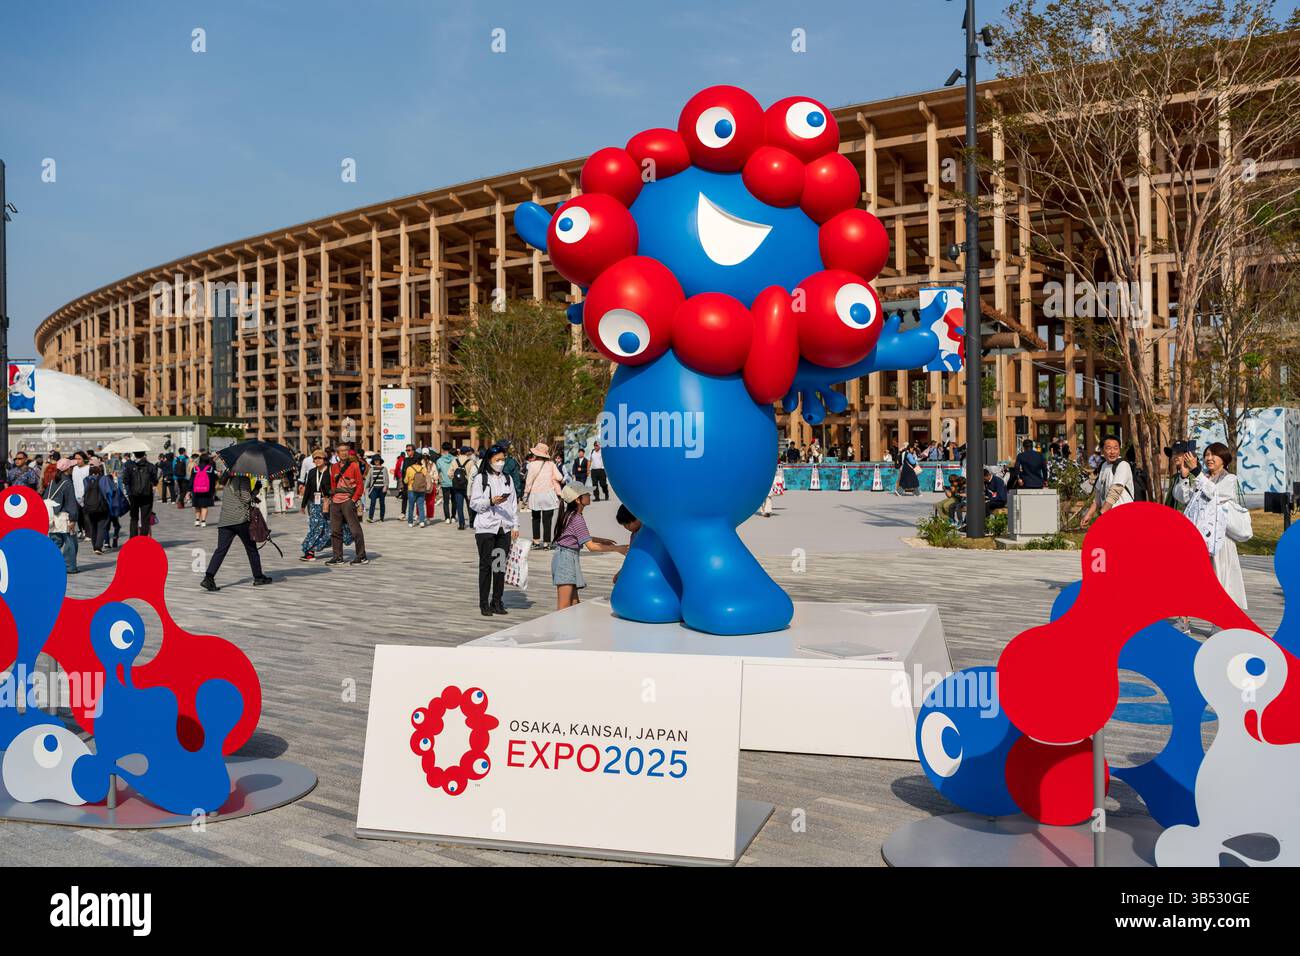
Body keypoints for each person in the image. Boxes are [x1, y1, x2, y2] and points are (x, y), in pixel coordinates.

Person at [1173, 442, 1247, 609]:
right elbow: (1183, 497)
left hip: (1220, 539)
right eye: (1206, 455)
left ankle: (1220, 620)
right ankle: (1184, 618)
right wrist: (1184, 476)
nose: (1209, 458)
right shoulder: (1203, 477)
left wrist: (1196, 473)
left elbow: (1213, 494)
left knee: (1220, 578)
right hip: (1200, 536)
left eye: (1214, 455)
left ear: (1224, 459)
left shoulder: (1229, 479)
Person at [550, 482, 628, 610]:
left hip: (566, 557)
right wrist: (618, 548)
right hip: (566, 559)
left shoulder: (571, 515)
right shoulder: (576, 518)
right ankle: (561, 630)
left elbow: (578, 536)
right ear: (578, 499)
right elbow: (591, 547)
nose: (589, 495)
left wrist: (602, 540)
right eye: (585, 493)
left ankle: (572, 629)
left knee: (574, 604)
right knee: (564, 607)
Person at [201, 474, 273, 591]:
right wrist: (256, 489)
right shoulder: (243, 479)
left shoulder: (227, 479)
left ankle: (208, 577)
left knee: (221, 550)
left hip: (225, 520)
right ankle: (258, 576)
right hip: (240, 520)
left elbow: (237, 497)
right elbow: (246, 499)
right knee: (251, 549)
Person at [470, 445, 519, 617]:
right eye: (497, 459)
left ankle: (497, 601)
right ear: (489, 460)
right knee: (486, 566)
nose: (500, 463)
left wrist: (515, 526)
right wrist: (490, 501)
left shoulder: (507, 479)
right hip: (486, 528)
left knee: (499, 566)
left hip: (503, 528)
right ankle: (484, 603)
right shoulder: (481, 479)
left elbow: (513, 503)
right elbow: (474, 503)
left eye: (502, 459)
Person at [1080, 435, 1134, 527]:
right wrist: (1089, 514)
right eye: (1108, 448)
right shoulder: (1103, 466)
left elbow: (1115, 492)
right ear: (1102, 450)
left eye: (1115, 448)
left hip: (1124, 516)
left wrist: (1102, 514)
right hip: (1109, 516)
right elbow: (1098, 495)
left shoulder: (1123, 465)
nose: (1112, 452)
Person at [327, 448, 368, 565]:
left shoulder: (354, 465)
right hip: (335, 501)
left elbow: (360, 485)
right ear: (337, 454)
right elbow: (333, 484)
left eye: (346, 450)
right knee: (335, 531)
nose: (344, 452)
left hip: (348, 500)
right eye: (341, 451)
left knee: (355, 530)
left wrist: (353, 499)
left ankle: (361, 556)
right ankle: (338, 557)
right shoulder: (334, 467)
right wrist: (332, 498)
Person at [44, 458, 81, 573]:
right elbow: (71, 502)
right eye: (71, 467)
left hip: (53, 516)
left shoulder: (53, 481)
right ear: (68, 469)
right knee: (71, 543)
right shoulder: (67, 482)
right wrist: (73, 519)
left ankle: (50, 564)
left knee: (55, 542)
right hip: (64, 517)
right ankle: (69, 567)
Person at [524, 442, 563, 550]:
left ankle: (536, 541)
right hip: (548, 495)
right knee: (547, 520)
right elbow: (559, 477)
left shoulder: (531, 465)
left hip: (535, 495)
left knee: (535, 518)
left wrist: (525, 493)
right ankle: (546, 543)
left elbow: (529, 481)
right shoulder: (551, 464)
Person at [80, 462, 116, 555]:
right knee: (102, 526)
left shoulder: (85, 480)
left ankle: (94, 546)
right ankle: (98, 547)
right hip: (102, 507)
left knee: (93, 526)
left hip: (89, 507)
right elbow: (109, 492)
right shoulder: (103, 479)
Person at [122, 450, 158, 538]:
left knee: (134, 518)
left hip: (133, 495)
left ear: (134, 454)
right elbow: (155, 481)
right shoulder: (151, 466)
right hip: (147, 495)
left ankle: (133, 539)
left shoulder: (129, 465)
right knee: (145, 519)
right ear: (144, 454)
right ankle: (143, 539)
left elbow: (125, 480)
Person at [611, 504, 641, 585]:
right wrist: (621, 572)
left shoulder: (644, 532)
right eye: (624, 525)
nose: (627, 527)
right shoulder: (634, 534)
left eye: (627, 524)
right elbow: (630, 557)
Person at [404, 454, 433, 527]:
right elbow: (427, 479)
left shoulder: (409, 468)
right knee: (421, 506)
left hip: (411, 490)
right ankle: (422, 522)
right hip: (421, 490)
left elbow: (406, 481)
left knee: (411, 506)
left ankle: (410, 522)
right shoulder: (423, 469)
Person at [190, 453, 217, 527]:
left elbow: (191, 480)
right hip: (207, 490)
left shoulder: (195, 468)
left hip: (196, 490)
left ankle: (197, 520)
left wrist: (190, 490)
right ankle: (203, 521)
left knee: (197, 505)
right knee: (204, 506)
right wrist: (213, 491)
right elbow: (213, 480)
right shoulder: (210, 468)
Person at [434, 442, 457, 525]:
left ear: (442, 449)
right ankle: (453, 517)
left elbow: (438, 471)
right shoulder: (455, 459)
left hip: (444, 483)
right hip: (454, 483)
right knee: (454, 501)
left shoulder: (439, 460)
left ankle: (447, 518)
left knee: (446, 501)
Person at [366, 454, 387, 522]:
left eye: (378, 460)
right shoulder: (371, 469)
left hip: (381, 488)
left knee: (382, 503)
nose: (376, 461)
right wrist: (364, 488)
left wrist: (385, 486)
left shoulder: (384, 469)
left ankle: (382, 517)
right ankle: (370, 517)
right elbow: (368, 479)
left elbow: (386, 479)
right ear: (373, 461)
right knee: (372, 502)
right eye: (375, 460)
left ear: (380, 461)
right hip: (374, 488)